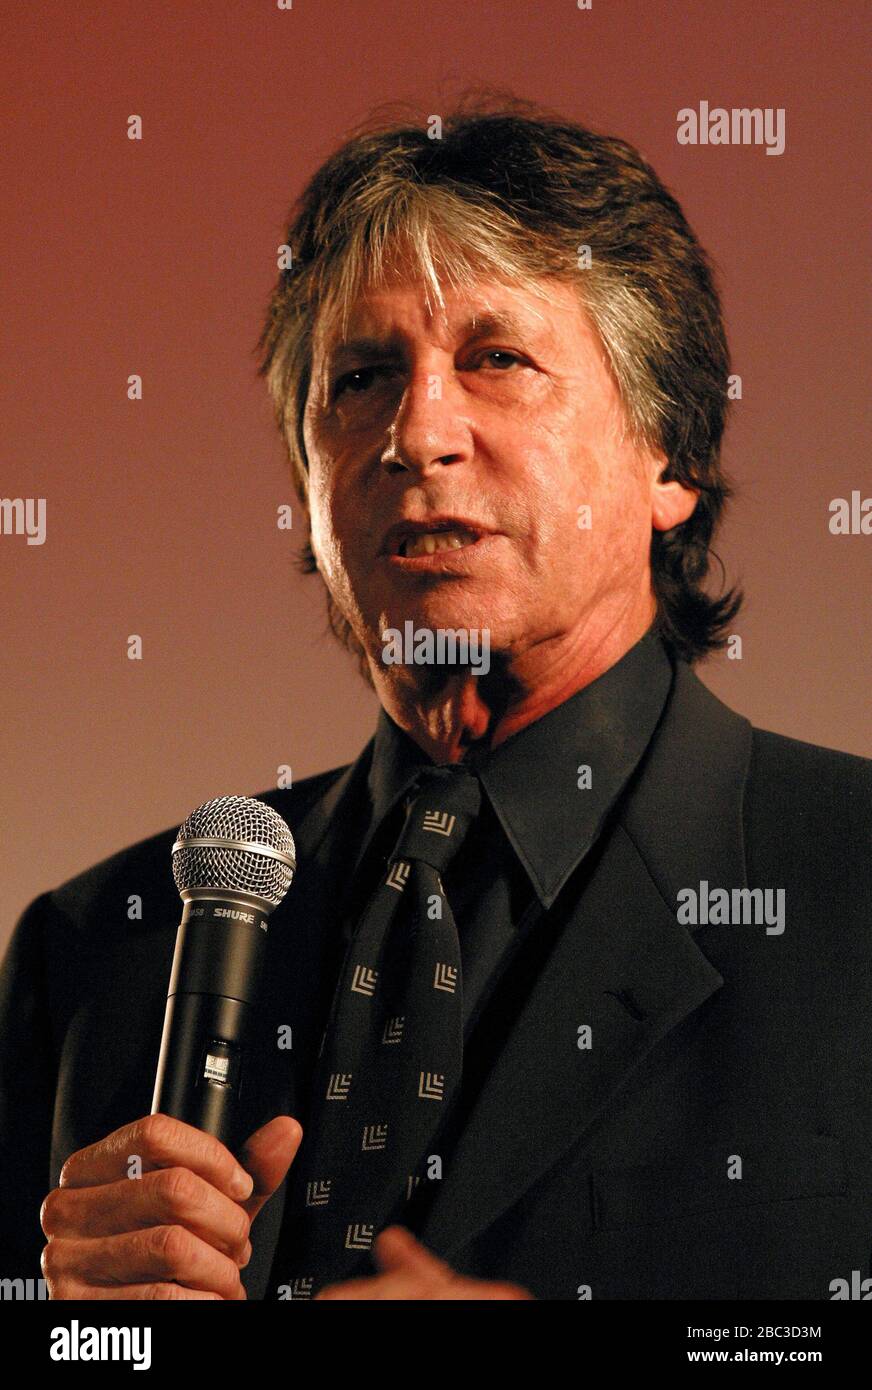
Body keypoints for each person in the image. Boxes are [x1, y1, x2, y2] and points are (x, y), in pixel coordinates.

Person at [1, 99, 869, 1302]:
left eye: (497, 360)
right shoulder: (97, 952)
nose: (416, 433)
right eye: (359, 378)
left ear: (663, 454)